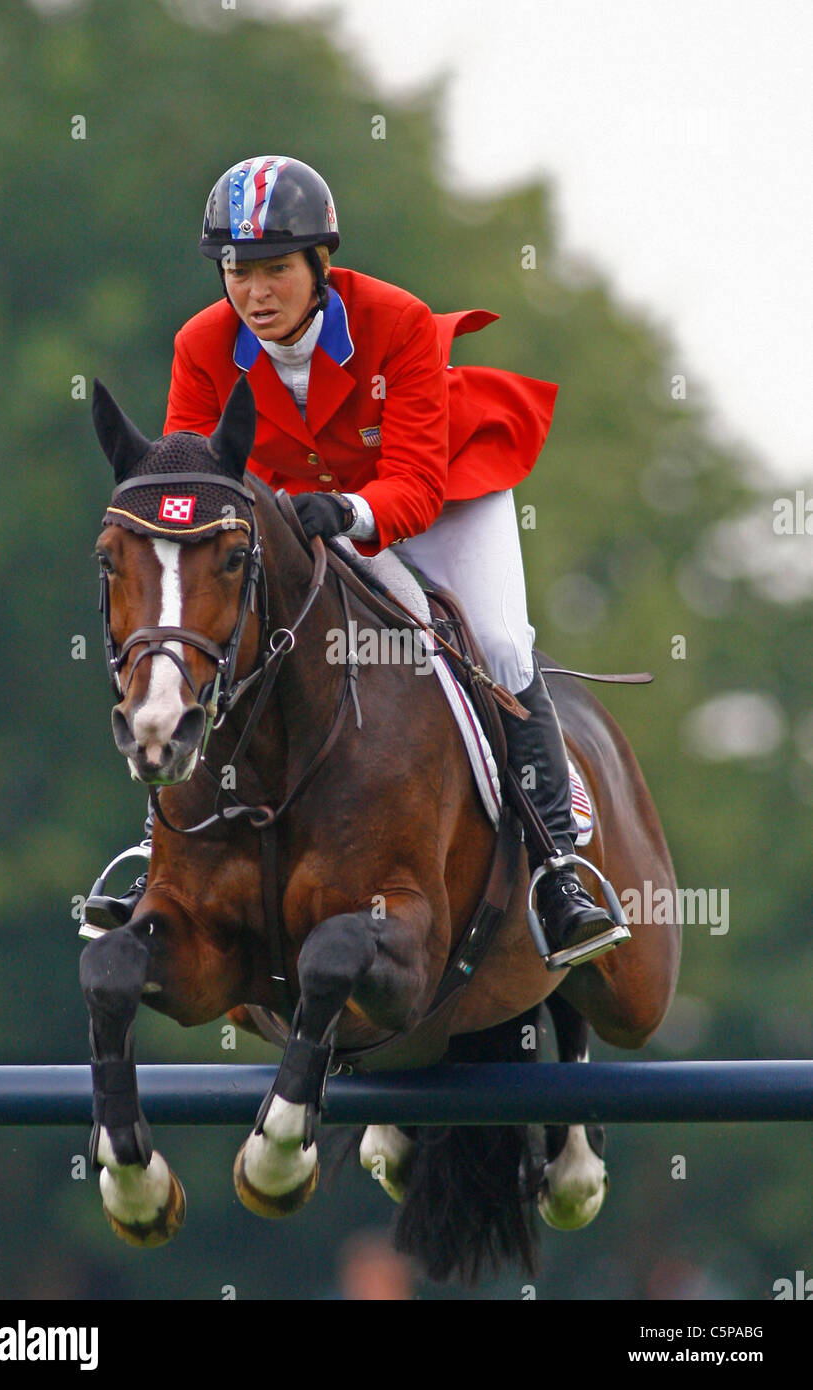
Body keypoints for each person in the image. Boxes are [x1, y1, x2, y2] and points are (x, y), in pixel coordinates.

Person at [84, 155, 622, 968]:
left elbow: (413, 481)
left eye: (273, 271)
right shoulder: (203, 343)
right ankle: (160, 863)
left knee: (502, 643)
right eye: (238, 271)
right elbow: (192, 483)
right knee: (214, 640)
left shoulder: (394, 321)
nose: (254, 293)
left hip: (432, 497)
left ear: (318, 265)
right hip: (295, 517)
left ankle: (558, 869)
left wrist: (349, 511)